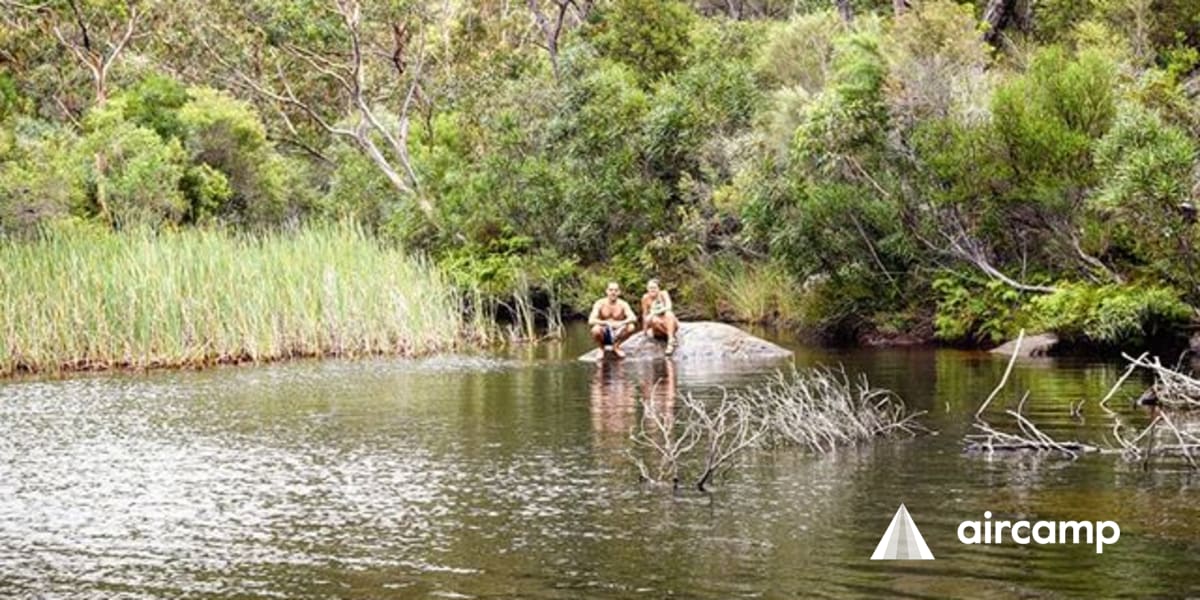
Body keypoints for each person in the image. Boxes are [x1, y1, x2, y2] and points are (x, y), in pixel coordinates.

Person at [588, 281, 638, 359]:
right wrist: (606, 323)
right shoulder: (600, 303)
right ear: (607, 291)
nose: (613, 293)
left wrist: (621, 323)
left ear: (619, 292)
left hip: (618, 331)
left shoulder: (623, 304)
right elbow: (591, 320)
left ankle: (616, 346)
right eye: (611, 290)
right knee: (595, 329)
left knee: (631, 327)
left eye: (615, 290)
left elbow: (633, 317)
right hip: (604, 331)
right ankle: (601, 348)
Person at [640, 278, 679, 356]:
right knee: (653, 319)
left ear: (658, 288)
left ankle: (670, 341)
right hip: (658, 328)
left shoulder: (663, 294)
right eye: (650, 288)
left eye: (654, 288)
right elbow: (644, 314)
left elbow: (669, 307)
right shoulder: (645, 298)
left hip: (669, 323)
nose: (652, 290)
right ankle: (671, 338)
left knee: (669, 314)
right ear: (647, 289)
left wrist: (654, 312)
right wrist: (644, 331)